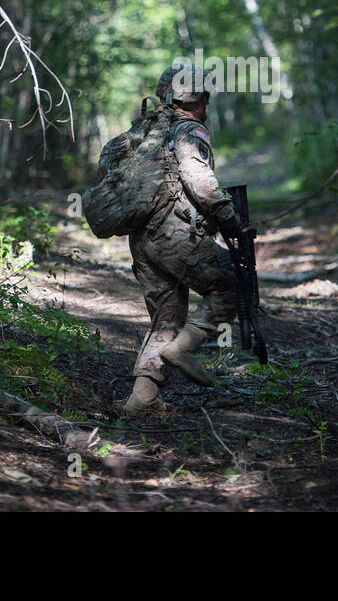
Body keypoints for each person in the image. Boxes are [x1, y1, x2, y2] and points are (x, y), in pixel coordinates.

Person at [122, 62, 255, 415]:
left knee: (166, 318)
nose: (207, 106)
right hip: (175, 235)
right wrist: (229, 221)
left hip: (142, 240)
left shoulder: (143, 130)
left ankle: (142, 399)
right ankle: (185, 348)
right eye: (204, 98)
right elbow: (198, 178)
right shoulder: (187, 130)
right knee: (230, 285)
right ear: (194, 98)